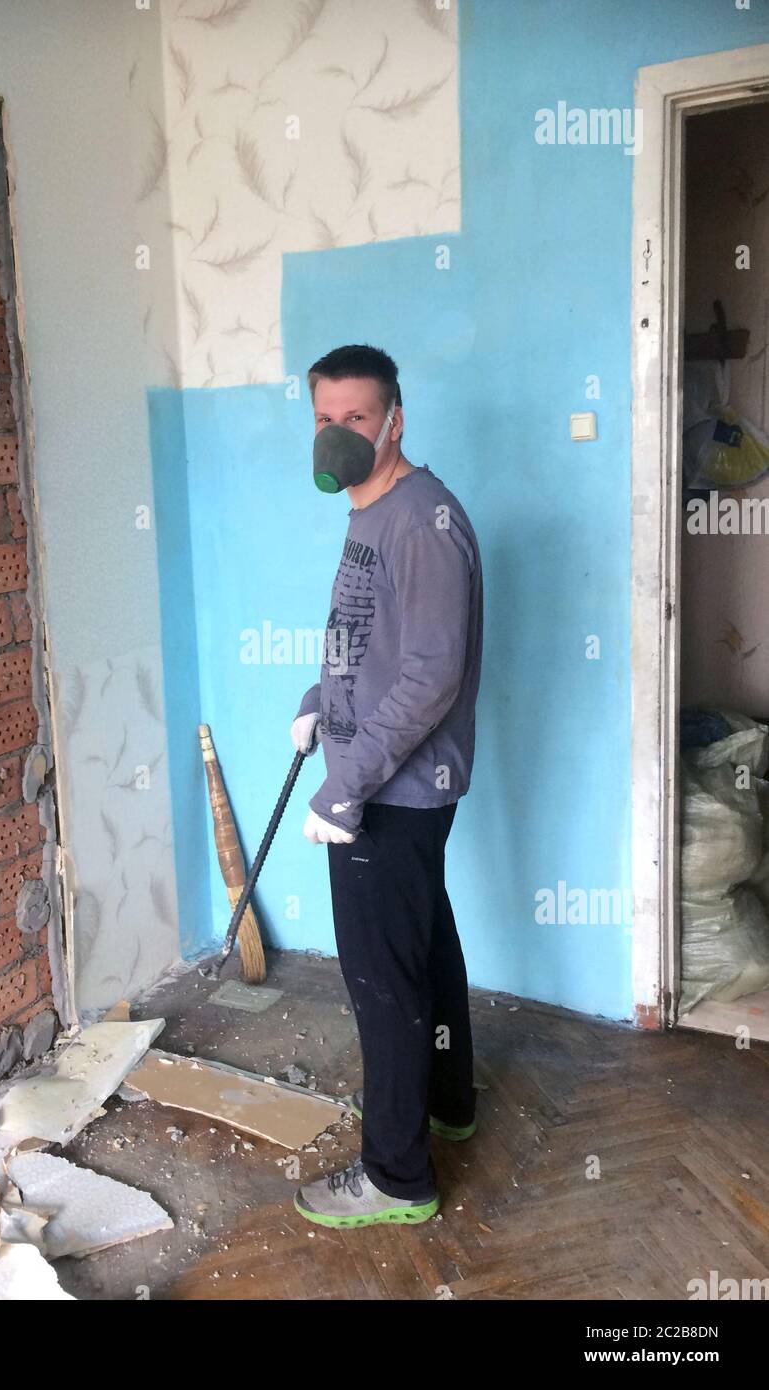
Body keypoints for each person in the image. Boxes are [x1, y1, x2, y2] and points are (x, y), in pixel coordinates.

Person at [290, 344, 483, 1229]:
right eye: (325, 420)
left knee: (383, 984)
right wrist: (316, 703)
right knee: (424, 949)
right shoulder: (371, 510)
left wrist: (345, 785)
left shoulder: (423, 520)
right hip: (382, 781)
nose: (338, 436)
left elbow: (431, 676)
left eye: (356, 420)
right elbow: (367, 639)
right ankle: (449, 1101)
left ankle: (397, 1177)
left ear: (395, 419)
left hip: (393, 792)